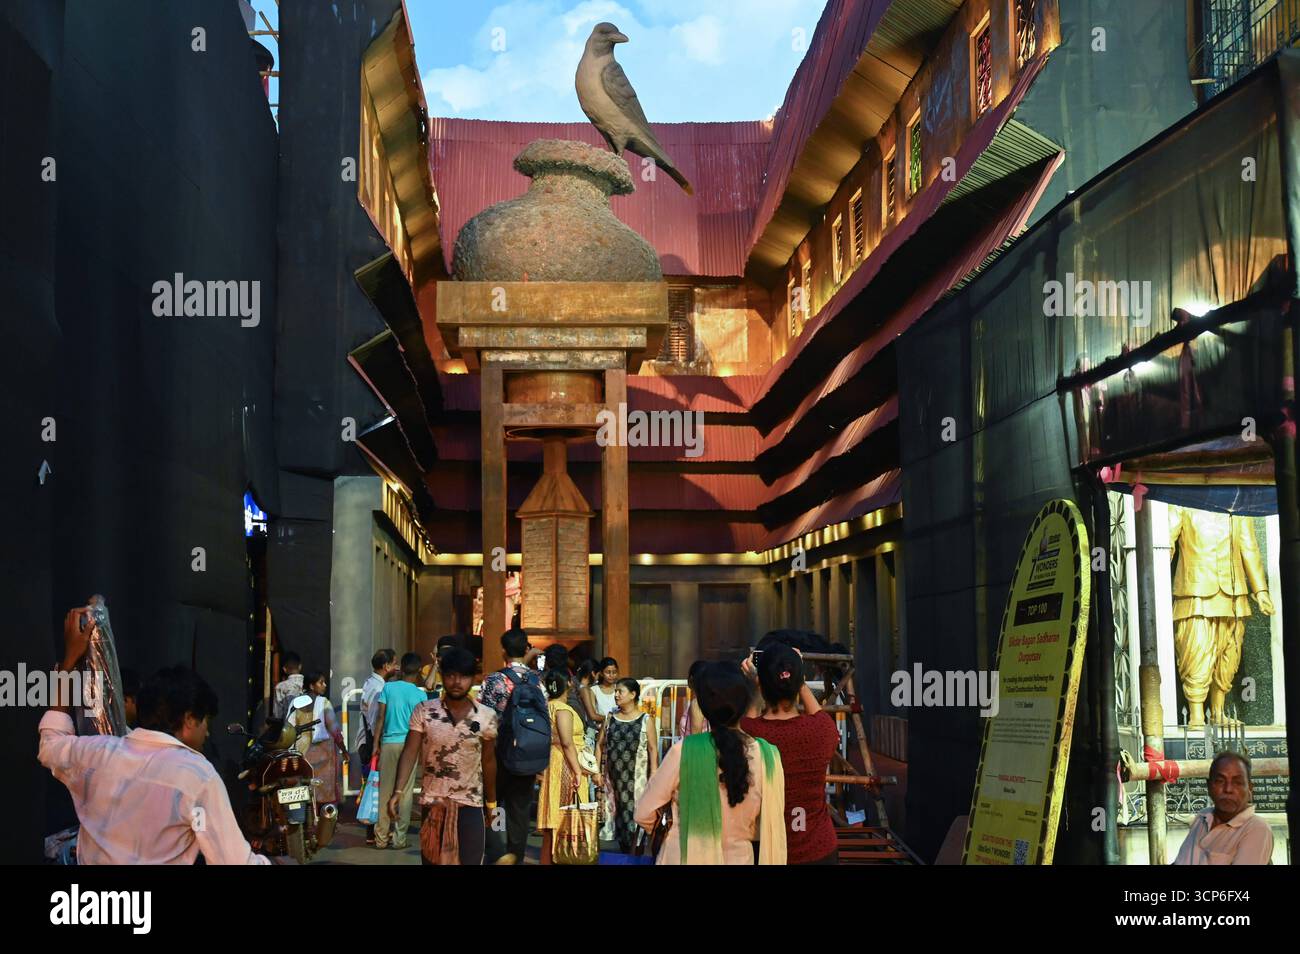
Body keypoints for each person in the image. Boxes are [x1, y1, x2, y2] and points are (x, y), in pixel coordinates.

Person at [38, 606, 271, 864]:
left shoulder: (98, 754)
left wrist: (69, 661)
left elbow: (51, 742)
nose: (207, 733)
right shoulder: (197, 777)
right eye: (207, 722)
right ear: (190, 719)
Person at [634, 661, 786, 865]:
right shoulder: (768, 755)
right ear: (745, 705)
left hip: (683, 857)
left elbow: (644, 813)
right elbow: (768, 824)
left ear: (703, 706)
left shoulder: (684, 750)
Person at [389, 648, 497, 864]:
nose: (457, 682)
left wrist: (492, 803)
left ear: (474, 678)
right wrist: (398, 791)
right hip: (433, 804)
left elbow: (488, 761)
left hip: (471, 805)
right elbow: (410, 752)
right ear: (442, 676)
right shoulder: (424, 711)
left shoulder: (486, 716)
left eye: (464, 676)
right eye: (450, 675)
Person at [741, 644, 840, 864]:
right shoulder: (821, 730)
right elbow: (821, 718)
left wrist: (757, 687)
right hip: (820, 849)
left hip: (769, 850)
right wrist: (799, 679)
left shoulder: (752, 733)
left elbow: (746, 725)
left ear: (763, 686)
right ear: (798, 684)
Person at [478, 628, 542, 864]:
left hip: (498, 752)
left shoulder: (494, 680)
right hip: (527, 753)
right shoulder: (536, 680)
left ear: (503, 650)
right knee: (521, 809)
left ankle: (496, 850)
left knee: (494, 802)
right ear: (527, 649)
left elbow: (482, 717)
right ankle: (516, 855)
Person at [538, 668, 597, 865]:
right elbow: (567, 742)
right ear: (568, 685)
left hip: (553, 762)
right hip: (565, 765)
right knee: (565, 818)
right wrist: (577, 771)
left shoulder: (546, 706)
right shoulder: (562, 709)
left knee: (553, 822)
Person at [370, 652, 429, 850]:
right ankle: (399, 838)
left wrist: (375, 744)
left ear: (401, 668)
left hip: (388, 744)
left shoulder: (389, 687)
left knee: (385, 790)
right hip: (410, 747)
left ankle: (380, 838)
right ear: (419, 671)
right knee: (404, 791)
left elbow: (380, 718)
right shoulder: (421, 694)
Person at [1172, 751, 1274, 864]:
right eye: (1220, 781)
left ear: (1250, 788)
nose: (1228, 789)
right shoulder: (1202, 818)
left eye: (1237, 782)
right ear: (1209, 786)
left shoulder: (1256, 828)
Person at [595, 677, 658, 853]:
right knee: (618, 818)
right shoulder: (610, 718)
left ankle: (634, 855)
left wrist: (653, 774)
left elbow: (653, 749)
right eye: (615, 691)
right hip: (612, 780)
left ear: (633, 694)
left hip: (637, 781)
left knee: (634, 820)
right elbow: (599, 745)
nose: (616, 695)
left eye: (619, 691)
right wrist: (597, 772)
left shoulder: (646, 720)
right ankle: (625, 854)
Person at [302, 672, 346, 806]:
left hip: (303, 752)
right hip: (324, 753)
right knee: (326, 788)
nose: (325, 685)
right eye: (321, 682)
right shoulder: (324, 703)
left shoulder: (297, 702)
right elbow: (334, 730)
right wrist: (343, 749)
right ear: (311, 685)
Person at [581, 656, 619, 732]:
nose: (611, 675)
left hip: (617, 728)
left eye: (614, 672)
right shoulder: (594, 690)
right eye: (608, 672)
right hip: (599, 730)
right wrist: (612, 719)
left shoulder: (618, 689)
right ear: (601, 673)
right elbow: (593, 716)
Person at [679, 660, 710, 739]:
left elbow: (696, 740)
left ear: (691, 679)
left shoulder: (698, 704)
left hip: (696, 750)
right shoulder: (709, 701)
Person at [272, 651, 304, 719]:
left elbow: (278, 714)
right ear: (300, 666)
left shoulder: (280, 687)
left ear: (284, 669)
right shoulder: (311, 685)